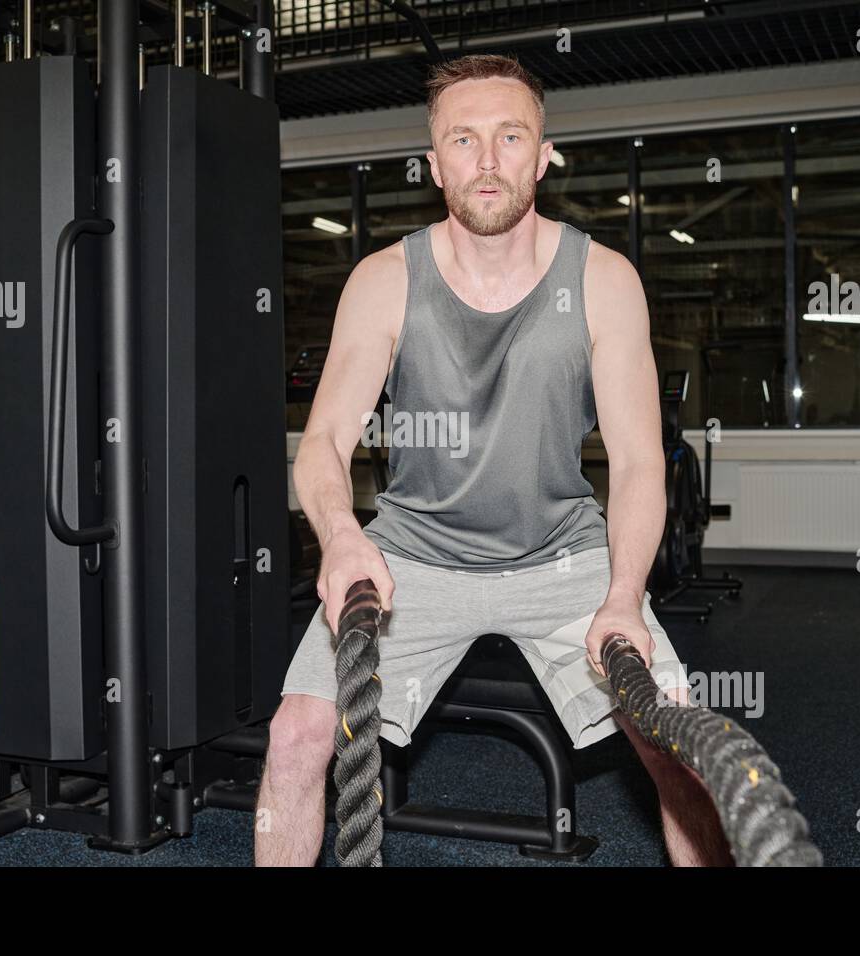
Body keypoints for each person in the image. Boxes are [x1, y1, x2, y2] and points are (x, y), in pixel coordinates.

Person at [257, 53, 731, 867]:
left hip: (564, 558)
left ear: (543, 156)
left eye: (510, 136)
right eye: (463, 140)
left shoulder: (605, 280)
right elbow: (325, 441)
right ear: (434, 163)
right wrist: (340, 536)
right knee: (297, 734)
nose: (487, 160)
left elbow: (640, 463)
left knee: (674, 740)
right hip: (413, 555)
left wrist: (622, 596)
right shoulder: (383, 281)